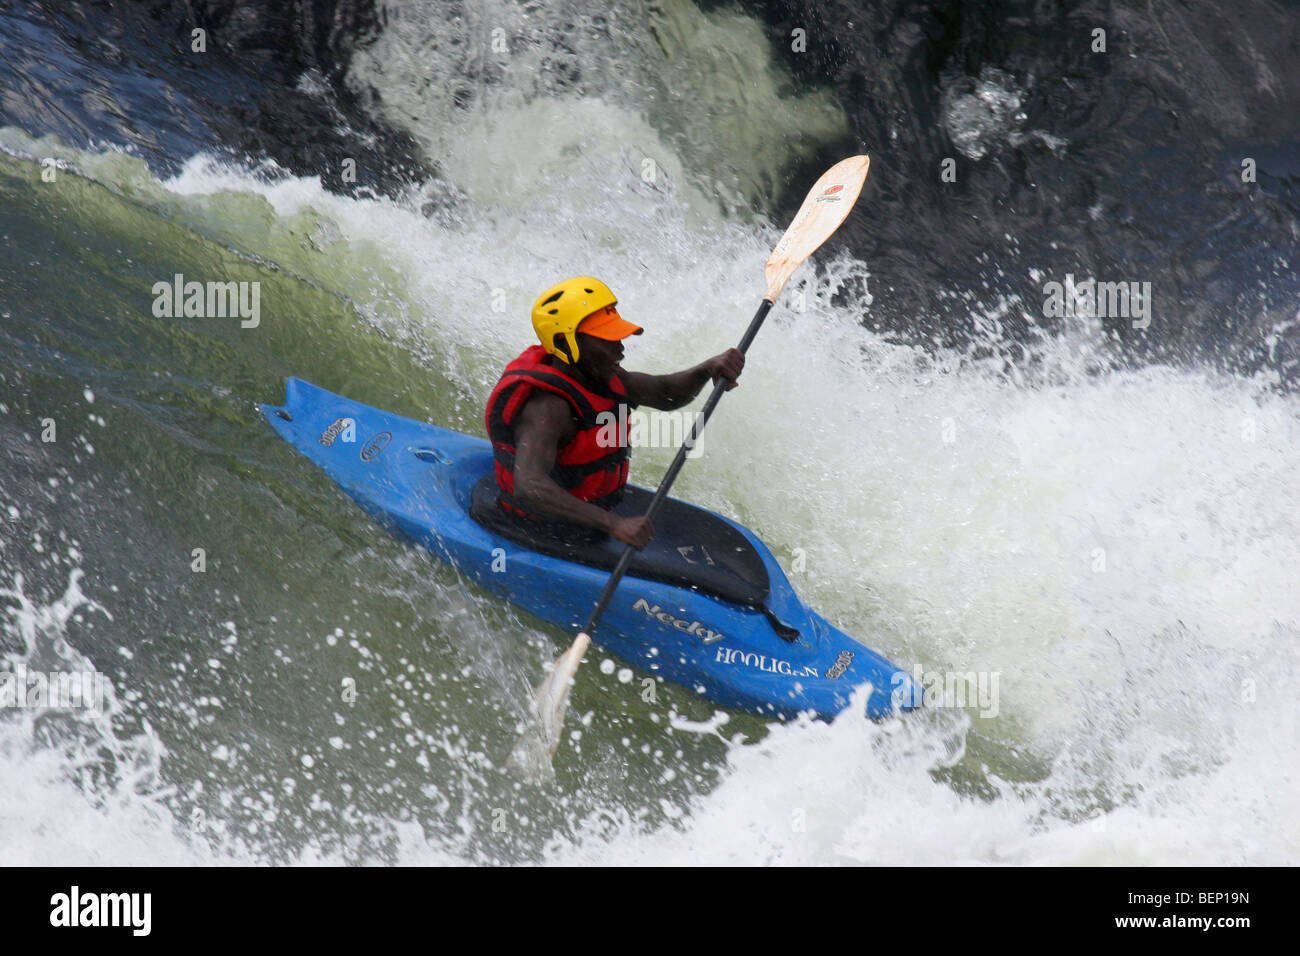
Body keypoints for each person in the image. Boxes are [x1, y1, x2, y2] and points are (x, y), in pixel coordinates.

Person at [485, 276, 743, 549]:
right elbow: (529, 486)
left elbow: (665, 393)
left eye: (617, 337)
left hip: (588, 518)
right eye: (607, 340)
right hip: (538, 529)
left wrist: (706, 369)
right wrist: (615, 525)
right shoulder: (547, 409)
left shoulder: (600, 378)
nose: (620, 349)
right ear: (565, 342)